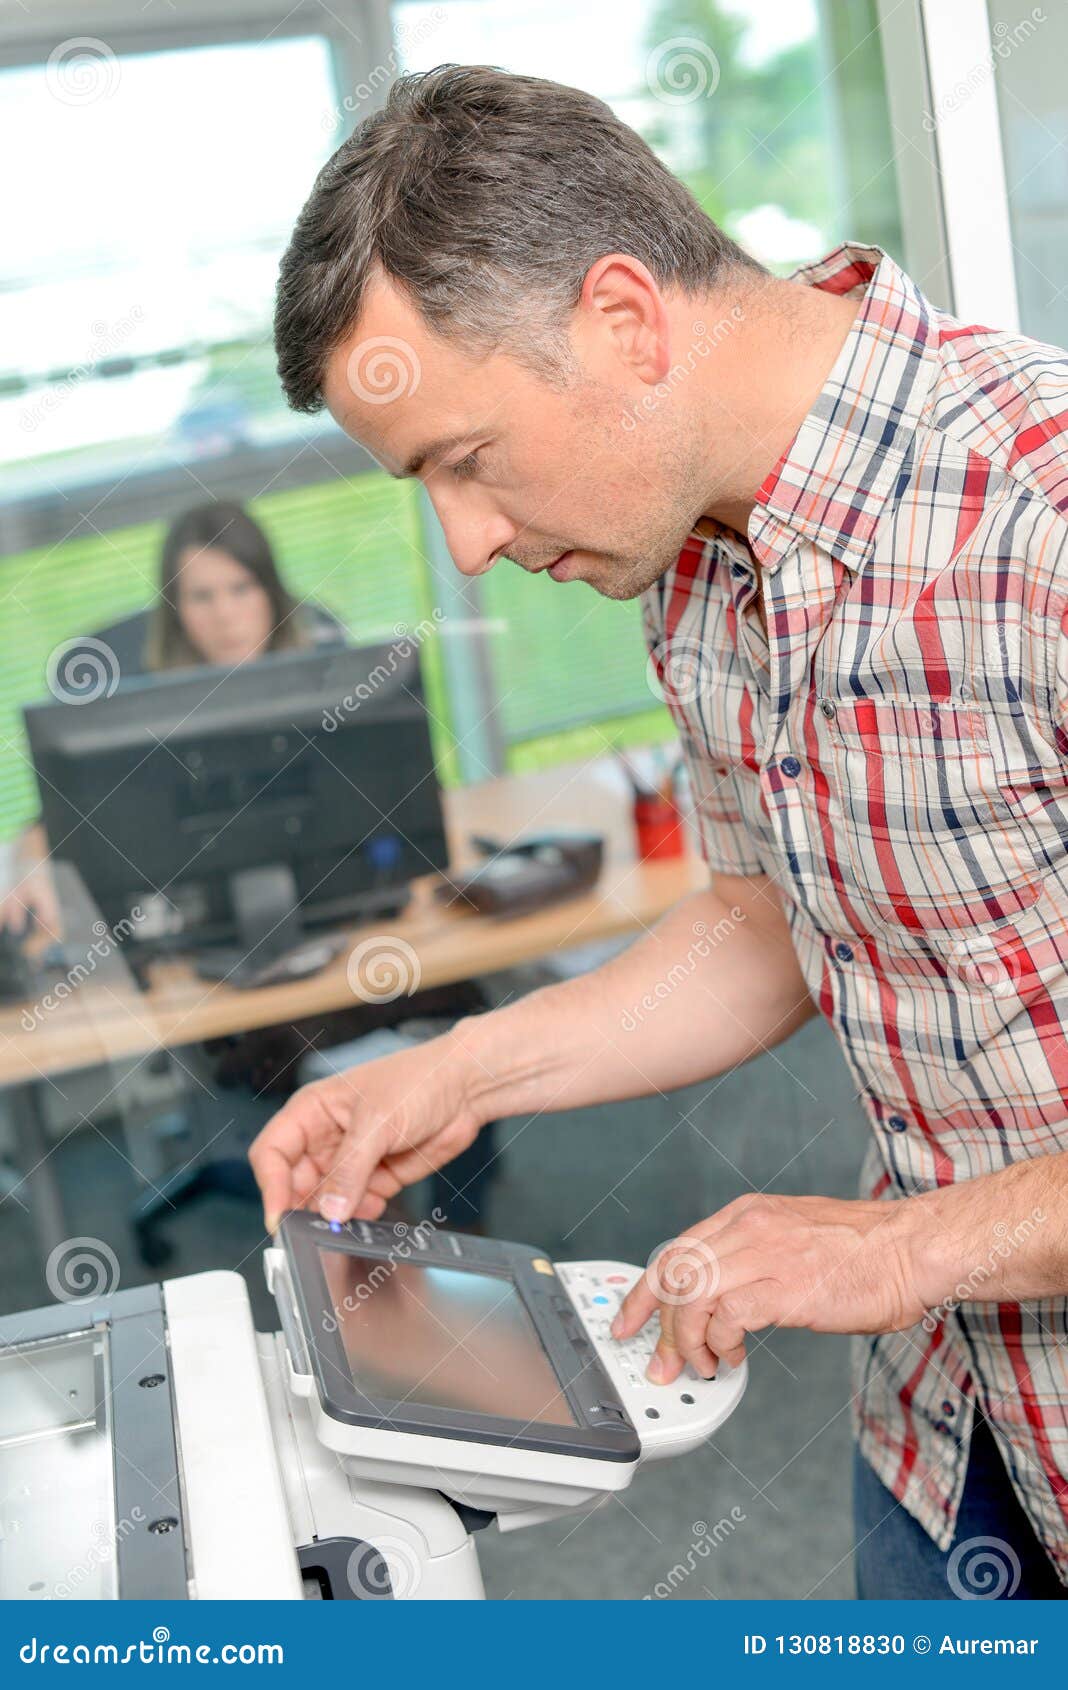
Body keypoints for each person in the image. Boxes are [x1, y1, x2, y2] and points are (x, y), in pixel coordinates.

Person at [253, 66, 1068, 1597]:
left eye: (466, 458)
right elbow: (771, 923)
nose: (471, 544)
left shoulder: (1040, 512)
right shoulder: (692, 563)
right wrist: (456, 1072)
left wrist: (891, 1248)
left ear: (627, 320)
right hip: (945, 1431)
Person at [0, 500, 344, 934]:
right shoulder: (141, 701)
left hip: (328, 908)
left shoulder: (328, 676)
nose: (224, 614)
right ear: (176, 609)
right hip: (192, 930)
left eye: (242, 588)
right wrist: (31, 866)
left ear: (272, 594)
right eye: (202, 596)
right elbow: (62, 816)